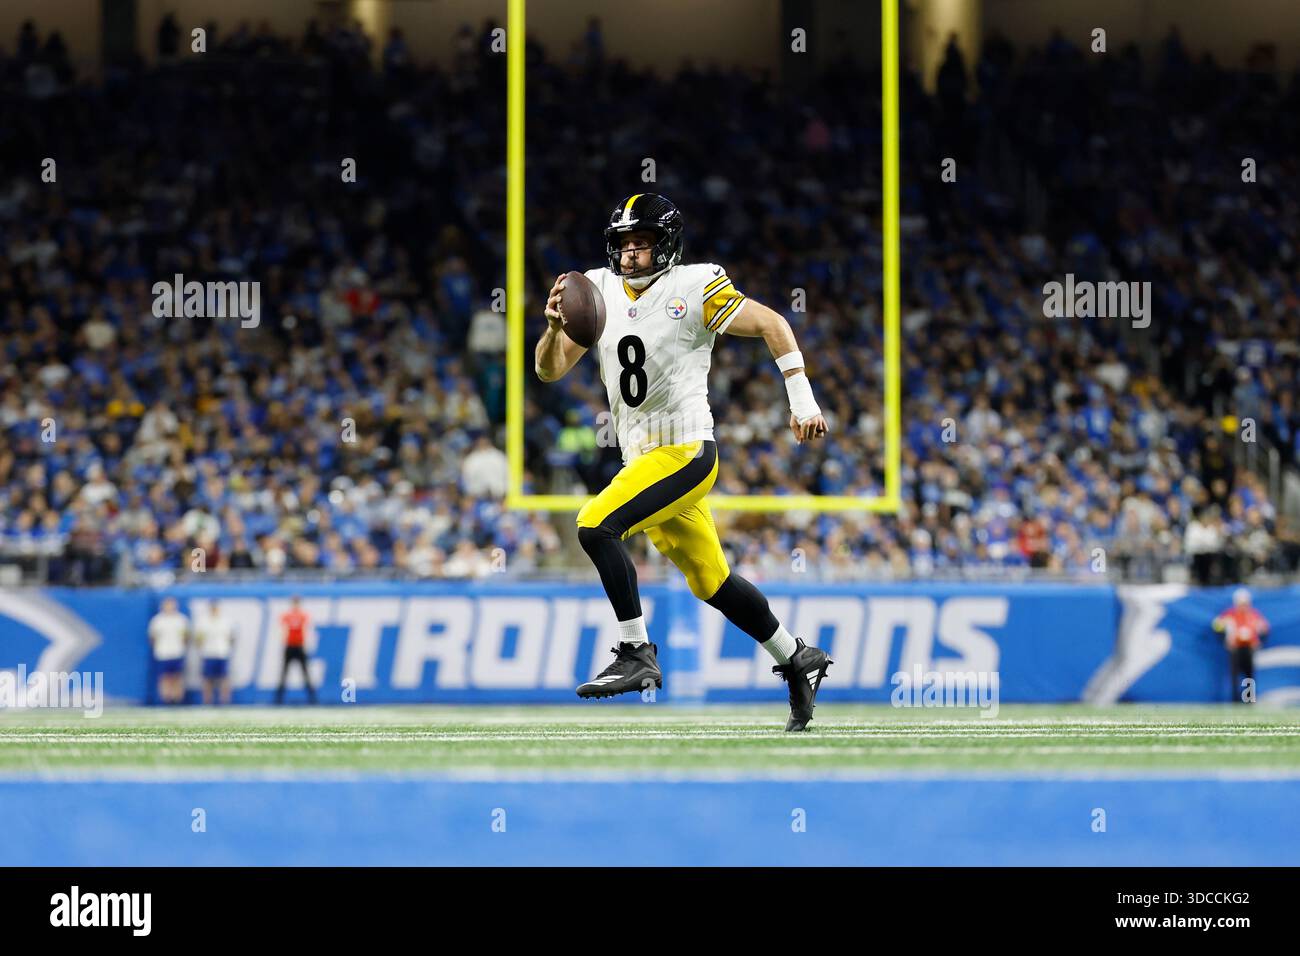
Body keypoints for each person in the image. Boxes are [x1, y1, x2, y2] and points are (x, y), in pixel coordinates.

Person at [534, 193, 832, 731]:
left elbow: (772, 324)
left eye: (641, 243)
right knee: (711, 580)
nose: (630, 253)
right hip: (643, 458)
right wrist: (555, 328)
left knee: (595, 525)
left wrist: (802, 399)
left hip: (686, 449)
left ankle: (635, 651)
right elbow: (549, 371)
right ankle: (795, 657)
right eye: (623, 243)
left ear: (666, 245)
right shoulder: (597, 290)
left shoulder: (695, 286)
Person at [1213, 588, 1269, 703]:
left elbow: (1265, 628)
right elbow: (1216, 627)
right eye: (1241, 603)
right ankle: (1235, 701)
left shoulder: (1254, 614)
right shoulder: (1229, 614)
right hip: (1235, 648)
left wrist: (1259, 642)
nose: (1243, 606)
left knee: (1249, 676)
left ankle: (1249, 700)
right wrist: (1224, 640)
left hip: (1249, 648)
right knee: (1235, 676)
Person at [147, 596, 190, 705]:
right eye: (167, 605)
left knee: (177, 677)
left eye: (172, 604)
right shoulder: (157, 620)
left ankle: (177, 699)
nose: (170, 607)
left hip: (177, 652)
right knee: (164, 677)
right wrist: (158, 648)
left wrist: (181, 648)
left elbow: (186, 637)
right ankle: (166, 699)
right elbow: (152, 638)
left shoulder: (181, 619)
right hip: (163, 653)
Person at [275, 595, 317, 705]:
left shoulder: (302, 616)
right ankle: (278, 698)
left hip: (299, 646)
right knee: (284, 673)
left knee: (305, 673)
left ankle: (312, 698)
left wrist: (305, 644)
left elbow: (305, 630)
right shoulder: (288, 616)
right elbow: (284, 631)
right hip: (290, 646)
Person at [196, 600, 236, 705]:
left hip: (222, 653)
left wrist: (227, 648)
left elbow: (232, 637)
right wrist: (202, 649)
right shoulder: (203, 621)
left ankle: (225, 701)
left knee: (224, 678)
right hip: (208, 653)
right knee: (207, 679)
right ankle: (207, 701)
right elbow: (199, 638)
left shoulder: (225, 621)